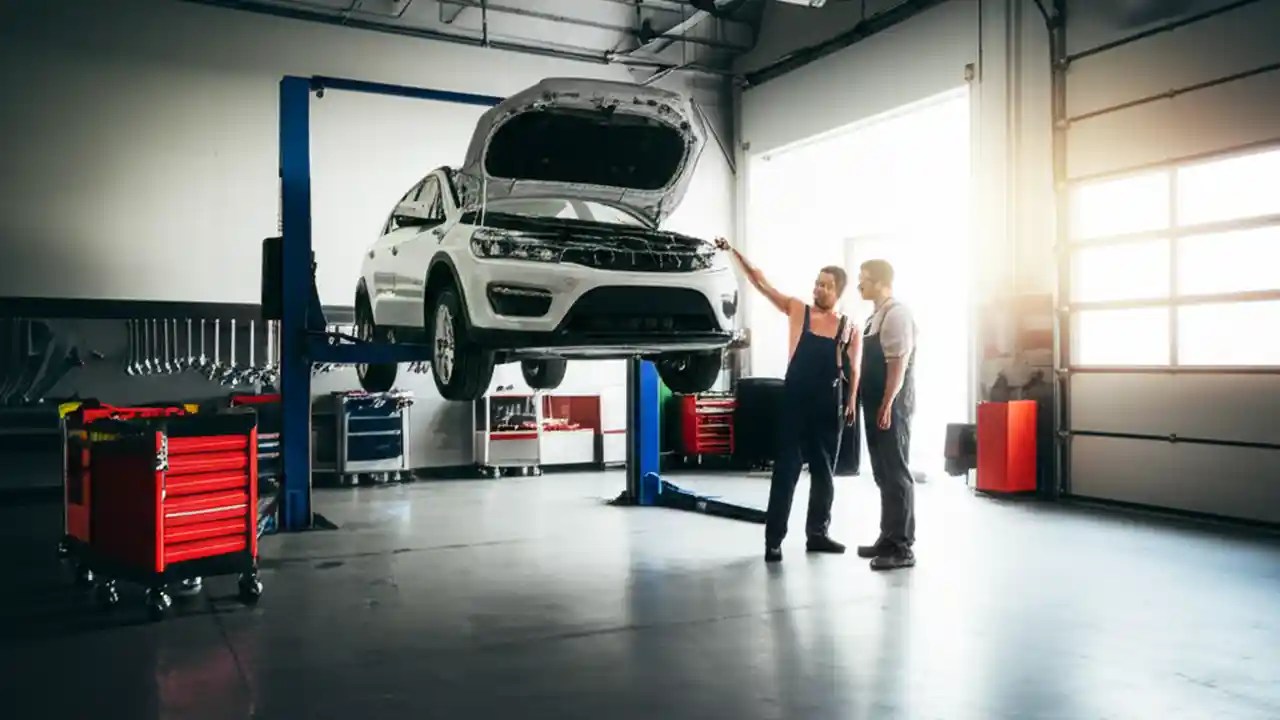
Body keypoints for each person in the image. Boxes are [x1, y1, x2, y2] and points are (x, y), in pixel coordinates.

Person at [715, 237, 861, 563]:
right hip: (796, 399)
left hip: (829, 403)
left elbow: (855, 365)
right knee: (787, 470)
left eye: (826, 286)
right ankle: (774, 540)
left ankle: (818, 534)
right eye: (817, 283)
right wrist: (734, 251)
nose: (818, 289)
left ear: (838, 292)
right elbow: (761, 282)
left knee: (825, 473)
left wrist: (850, 401)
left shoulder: (848, 326)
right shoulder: (798, 309)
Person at [854, 259, 918, 570]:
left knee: (896, 473)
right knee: (881, 471)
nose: (859, 285)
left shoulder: (897, 315)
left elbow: (898, 364)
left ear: (881, 282)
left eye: (864, 280)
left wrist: (887, 403)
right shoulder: (875, 317)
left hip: (891, 405)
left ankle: (902, 547)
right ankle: (887, 536)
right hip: (875, 402)